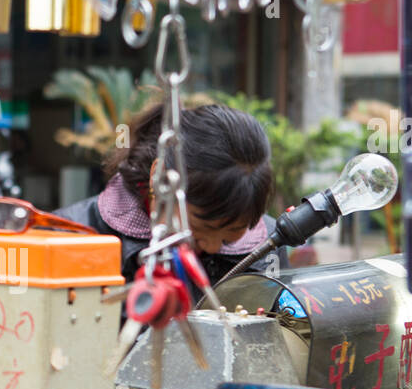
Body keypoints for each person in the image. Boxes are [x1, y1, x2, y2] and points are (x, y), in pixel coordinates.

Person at [55, 101, 284, 284]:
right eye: (204, 227)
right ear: (160, 179)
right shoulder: (68, 237)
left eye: (232, 232)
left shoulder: (269, 243)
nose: (214, 247)